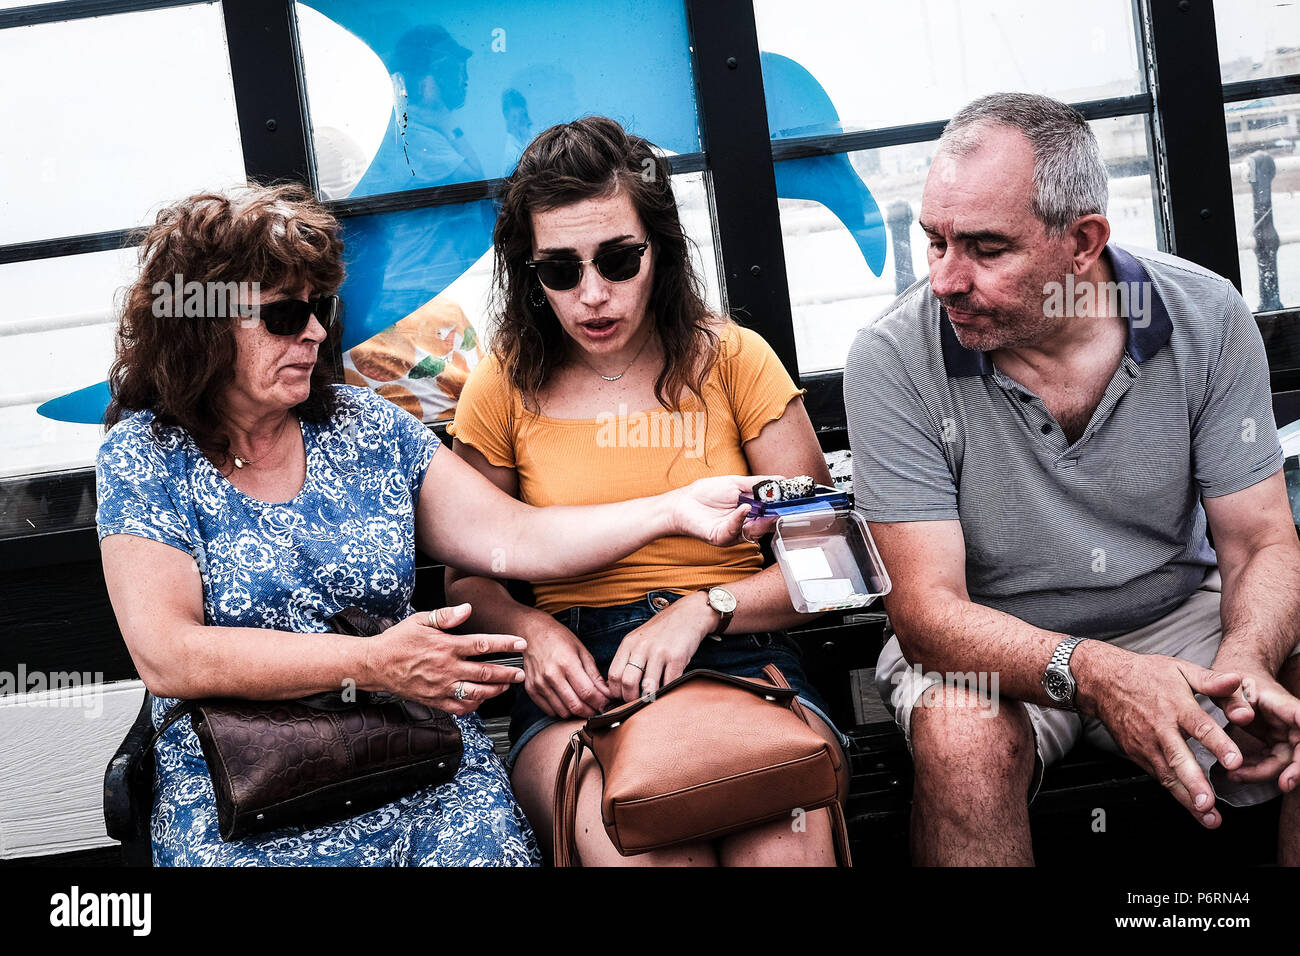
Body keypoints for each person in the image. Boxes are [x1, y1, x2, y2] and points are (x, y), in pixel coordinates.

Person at [95, 183, 763, 867]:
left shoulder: (366, 427)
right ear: (200, 324)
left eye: (319, 308)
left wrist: (673, 509)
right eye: (285, 315)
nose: (317, 333)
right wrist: (372, 663)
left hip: (413, 762)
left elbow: (520, 537)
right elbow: (168, 653)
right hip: (250, 785)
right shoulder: (146, 457)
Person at [844, 92, 1300, 866]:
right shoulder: (892, 358)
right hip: (990, 641)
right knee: (963, 738)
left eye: (986, 249)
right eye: (934, 244)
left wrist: (1246, 663)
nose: (948, 280)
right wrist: (1100, 675)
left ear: (1083, 242)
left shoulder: (1206, 313)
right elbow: (925, 615)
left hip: (1176, 615)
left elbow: (1260, 542)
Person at [445, 116, 850, 866]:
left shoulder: (731, 358)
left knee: (781, 853)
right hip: (581, 679)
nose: (592, 296)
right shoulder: (502, 383)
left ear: (658, 251)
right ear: (531, 275)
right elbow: (469, 573)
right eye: (560, 270)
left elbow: (831, 561)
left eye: (618, 260)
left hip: (739, 658)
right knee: (645, 851)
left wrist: (707, 610)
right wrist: (533, 633)